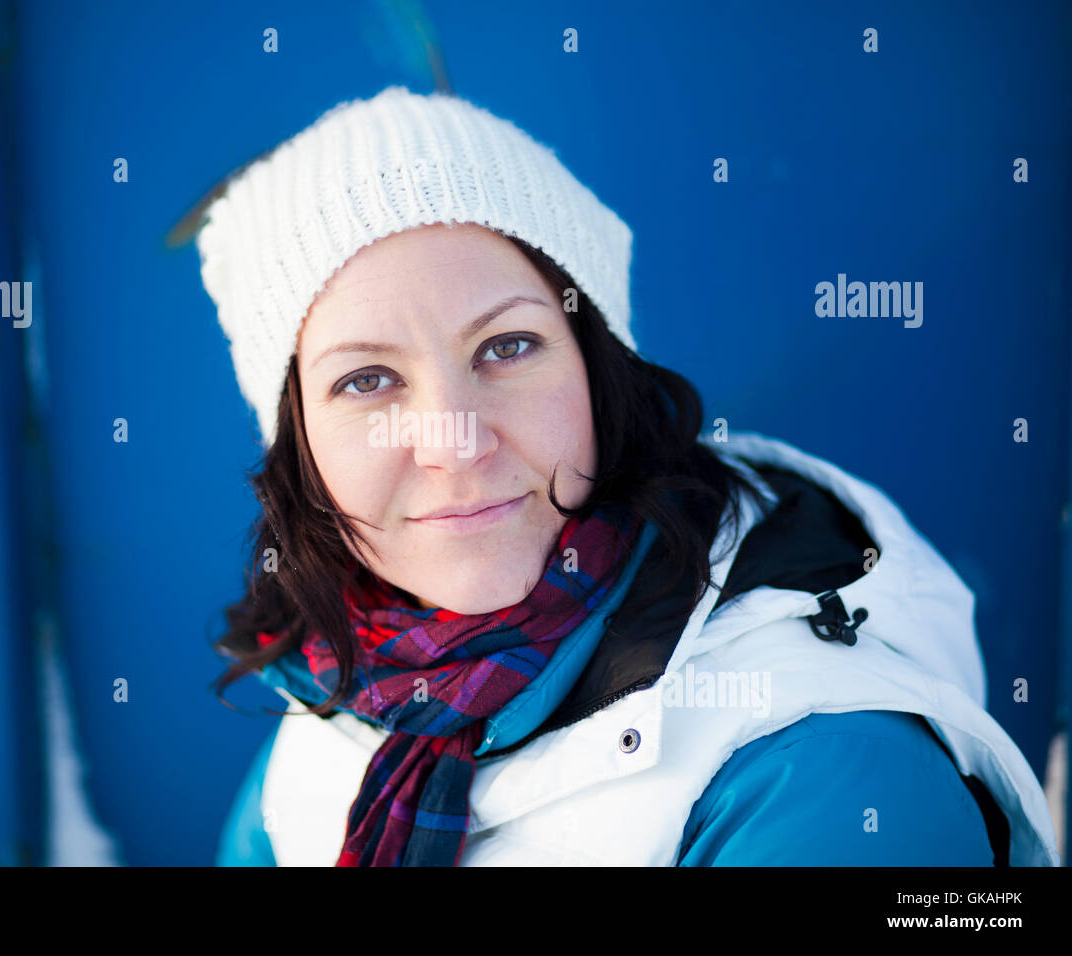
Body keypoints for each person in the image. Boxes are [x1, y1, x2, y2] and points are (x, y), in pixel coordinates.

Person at [193, 85, 1059, 867]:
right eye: (368, 380)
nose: (454, 443)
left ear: (602, 374)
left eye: (507, 346)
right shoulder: (337, 670)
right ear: (298, 442)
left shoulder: (817, 766)